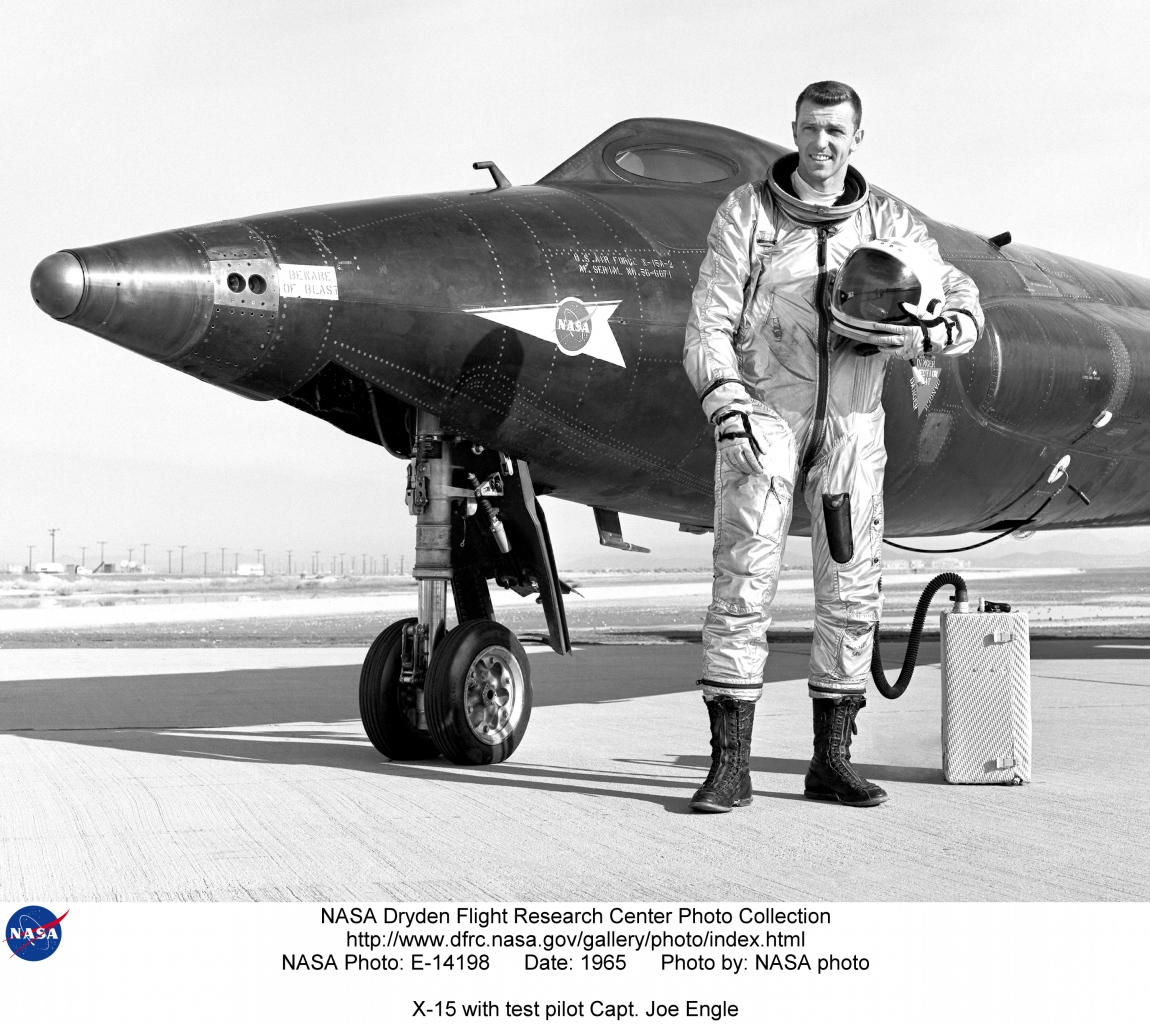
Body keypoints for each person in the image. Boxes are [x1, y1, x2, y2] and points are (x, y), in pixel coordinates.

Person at [682, 81, 983, 812]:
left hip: (851, 425)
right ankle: (730, 766)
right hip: (766, 418)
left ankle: (832, 762)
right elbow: (706, 323)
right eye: (812, 129)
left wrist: (929, 336)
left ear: (856, 138)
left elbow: (965, 304)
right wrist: (725, 402)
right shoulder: (749, 214)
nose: (822, 143)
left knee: (849, 593)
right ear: (793, 129)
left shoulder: (888, 221)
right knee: (742, 587)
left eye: (836, 132)